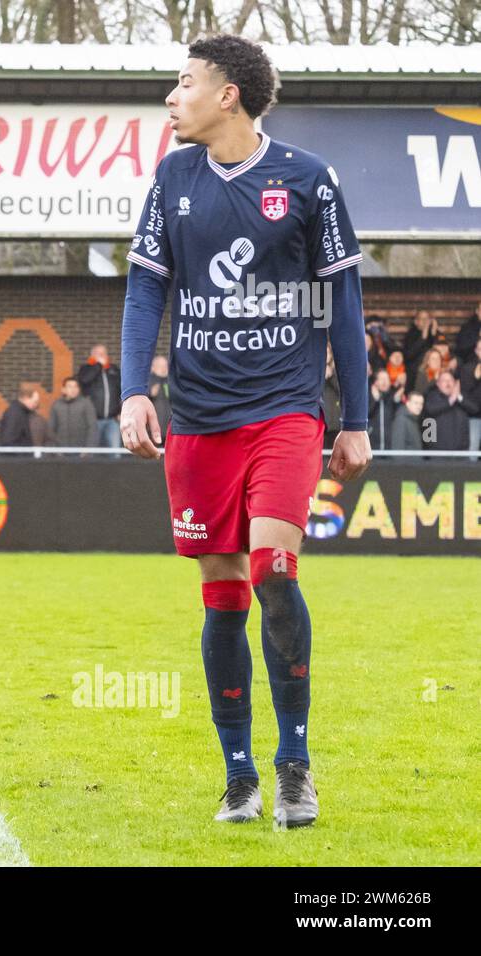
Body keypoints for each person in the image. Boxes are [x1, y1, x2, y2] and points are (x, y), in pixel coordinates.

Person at [119, 35, 369, 828]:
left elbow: (346, 306)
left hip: (285, 415)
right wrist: (134, 393)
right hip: (198, 420)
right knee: (222, 596)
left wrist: (355, 417)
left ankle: (294, 766)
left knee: (274, 569)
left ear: (227, 95)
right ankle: (240, 776)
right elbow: (143, 294)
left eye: (183, 83)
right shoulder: (172, 178)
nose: (170, 97)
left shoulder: (307, 179)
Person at [422, 370, 478, 451]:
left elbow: (474, 409)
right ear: (438, 384)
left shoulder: (461, 397)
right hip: (437, 452)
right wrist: (450, 401)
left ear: (455, 383)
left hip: (460, 451)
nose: (448, 383)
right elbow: (429, 410)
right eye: (444, 380)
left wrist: (458, 396)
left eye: (450, 380)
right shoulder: (432, 396)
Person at [78, 343, 122, 447]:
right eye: (99, 354)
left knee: (115, 451)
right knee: (92, 450)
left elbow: (121, 391)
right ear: (92, 355)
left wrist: (121, 411)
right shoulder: (86, 369)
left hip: (112, 420)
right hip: (93, 420)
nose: (102, 356)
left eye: (104, 353)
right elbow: (85, 380)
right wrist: (98, 366)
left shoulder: (114, 370)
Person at [47, 377, 98, 448]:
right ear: (63, 389)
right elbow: (51, 429)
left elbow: (92, 428)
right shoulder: (56, 405)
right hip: (61, 451)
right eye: (70, 387)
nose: (73, 389)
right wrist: (55, 449)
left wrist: (88, 449)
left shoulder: (86, 404)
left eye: (76, 387)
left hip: (81, 451)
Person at [367, 368, 401, 452]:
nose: (385, 382)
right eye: (382, 379)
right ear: (375, 382)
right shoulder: (368, 396)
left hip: (390, 447)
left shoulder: (392, 397)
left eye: (387, 379)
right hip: (372, 447)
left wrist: (397, 401)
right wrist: (375, 400)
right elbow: (367, 414)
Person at [148, 355, 173, 441]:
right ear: (153, 367)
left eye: (165, 366)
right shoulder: (148, 380)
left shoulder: (172, 380)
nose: (163, 368)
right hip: (153, 428)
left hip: (171, 427)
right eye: (160, 366)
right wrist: (150, 394)